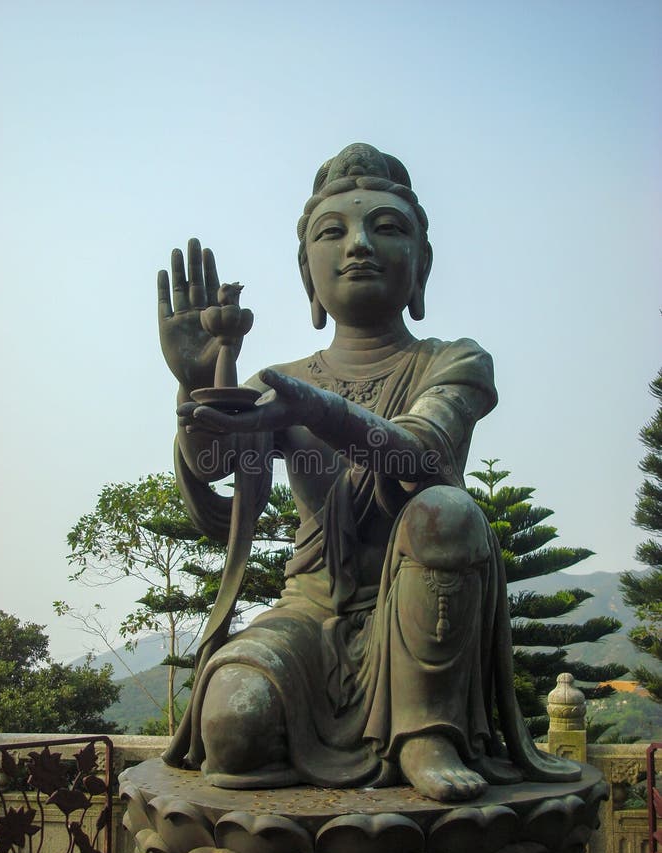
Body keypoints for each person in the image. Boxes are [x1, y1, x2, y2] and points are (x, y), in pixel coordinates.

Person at [158, 143, 580, 801]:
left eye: (385, 228)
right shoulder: (284, 382)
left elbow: (421, 456)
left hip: (418, 609)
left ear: (420, 269)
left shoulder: (453, 361)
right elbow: (217, 487)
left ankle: (424, 732)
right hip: (310, 609)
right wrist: (197, 392)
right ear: (308, 276)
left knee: (445, 509)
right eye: (333, 232)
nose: (358, 244)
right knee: (231, 727)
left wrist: (318, 412)